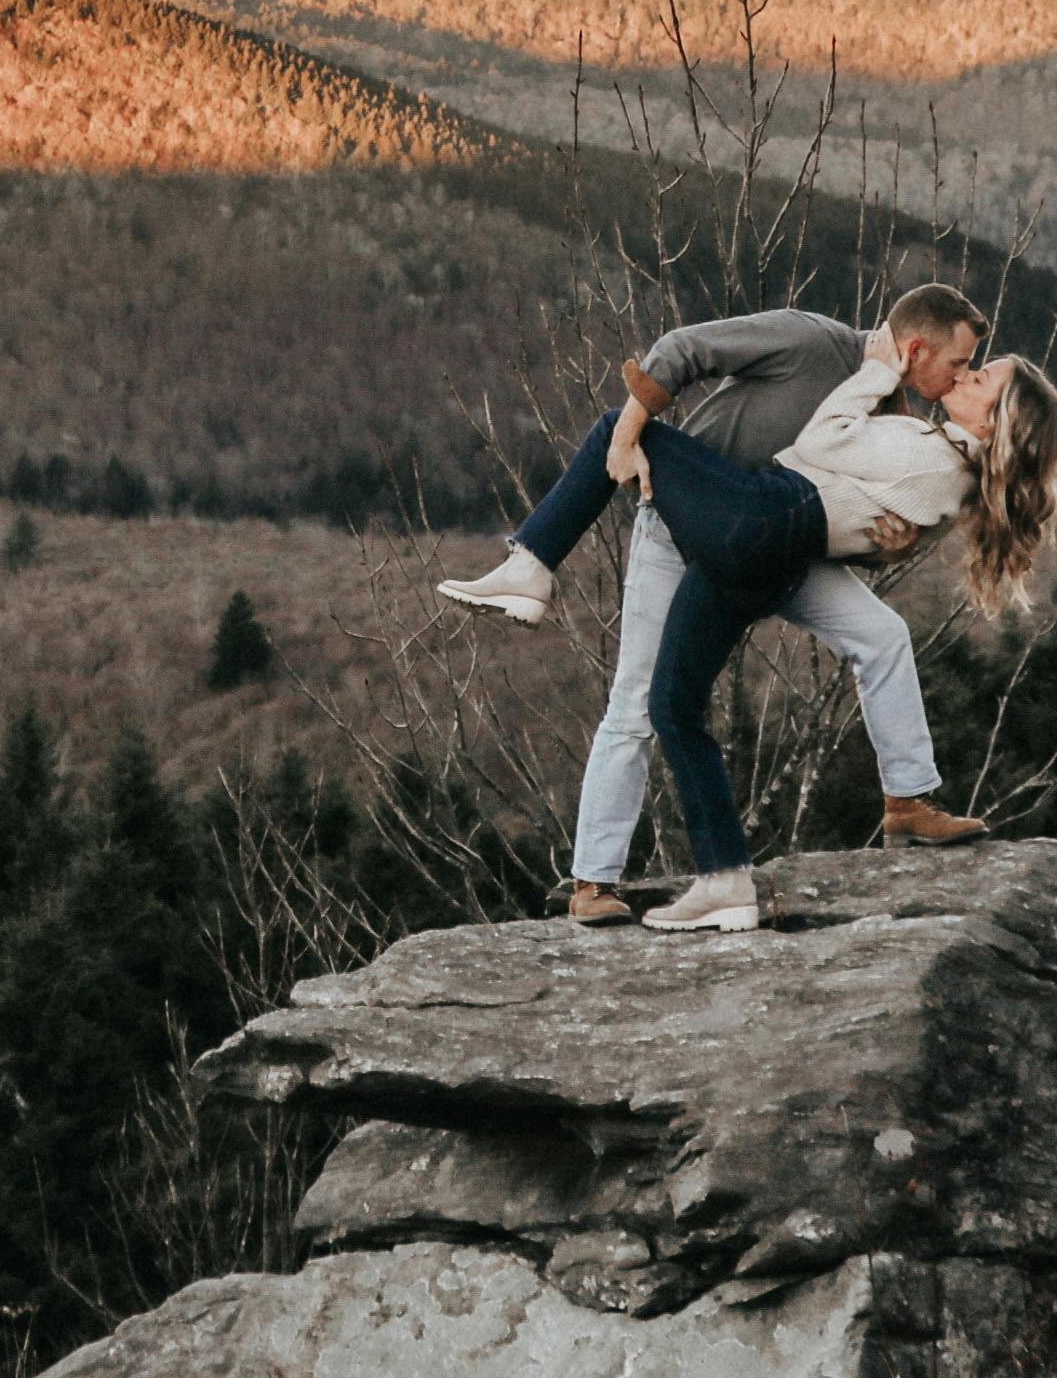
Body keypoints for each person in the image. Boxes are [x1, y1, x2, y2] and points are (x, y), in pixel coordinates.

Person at [437, 287, 1021, 925]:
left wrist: (886, 548)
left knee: (881, 635)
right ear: (916, 347)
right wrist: (627, 437)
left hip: (777, 549)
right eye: (959, 362)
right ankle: (593, 883)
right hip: (678, 529)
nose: (961, 374)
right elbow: (683, 349)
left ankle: (909, 804)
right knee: (637, 703)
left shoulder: (894, 405)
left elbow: (846, 507)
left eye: (972, 370)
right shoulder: (809, 340)